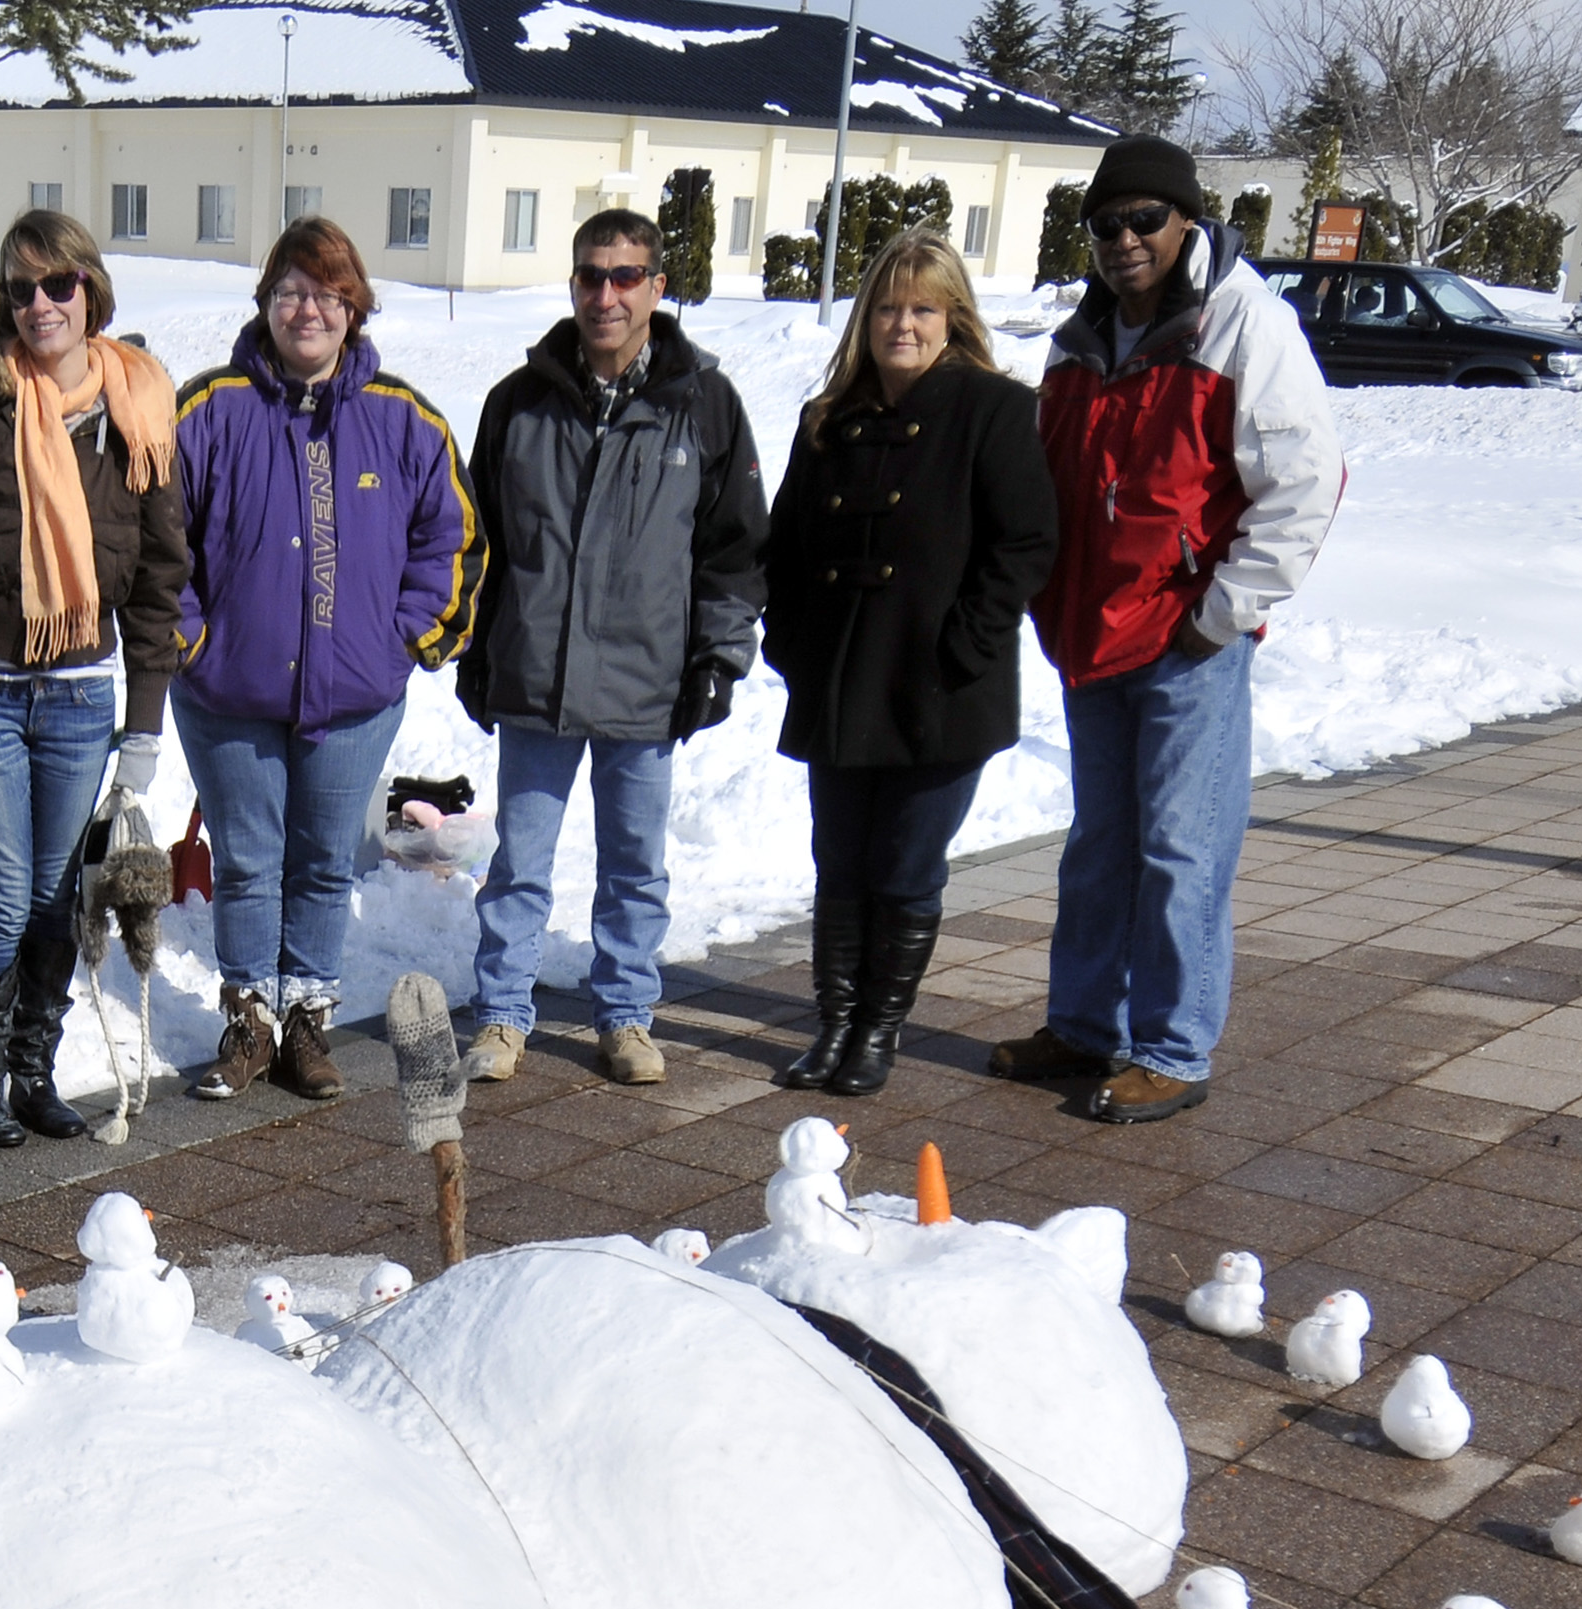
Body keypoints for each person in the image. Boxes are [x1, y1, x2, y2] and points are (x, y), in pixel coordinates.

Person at [995, 135, 1343, 1123]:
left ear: (1186, 220)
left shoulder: (1244, 326)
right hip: (1091, 635)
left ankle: (1174, 1048)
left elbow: (1306, 481)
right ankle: (1083, 1026)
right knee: (1100, 844)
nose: (1125, 240)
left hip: (1185, 642)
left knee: (1182, 849)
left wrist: (1219, 615)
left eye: (1146, 219)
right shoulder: (1078, 340)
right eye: (1106, 225)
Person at [168, 217, 481, 1103]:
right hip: (229, 692)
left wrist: (411, 634)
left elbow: (450, 536)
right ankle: (247, 1024)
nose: (306, 308)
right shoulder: (209, 408)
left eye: (326, 292)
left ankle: (306, 1019)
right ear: (264, 302)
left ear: (354, 307)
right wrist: (189, 636)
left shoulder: (405, 419)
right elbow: (160, 543)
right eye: (289, 290)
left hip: (354, 697)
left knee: (318, 859)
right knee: (246, 857)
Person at [457, 208, 767, 1088]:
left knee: (636, 864)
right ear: (571, 284)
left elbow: (734, 549)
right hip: (536, 674)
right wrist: (476, 651)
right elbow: (481, 542)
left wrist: (716, 658)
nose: (607, 294)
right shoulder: (519, 402)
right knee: (517, 863)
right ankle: (502, 1016)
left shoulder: (701, 403)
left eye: (626, 275)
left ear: (656, 288)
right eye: (591, 275)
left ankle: (625, 1012)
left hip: (646, 679)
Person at [0, 209, 188, 1147]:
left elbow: (160, 577)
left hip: (81, 692)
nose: (40, 305)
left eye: (57, 285)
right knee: (3, 891)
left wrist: (144, 725)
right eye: (21, 288)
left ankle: (32, 1067)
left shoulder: (138, 413)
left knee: (52, 895)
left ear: (90, 291)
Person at [763, 229, 1058, 1096]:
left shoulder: (993, 410)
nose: (903, 324)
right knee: (839, 861)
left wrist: (963, 644)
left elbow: (1026, 542)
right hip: (841, 685)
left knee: (904, 866)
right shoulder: (828, 420)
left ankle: (877, 1030)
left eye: (923, 308)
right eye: (888, 307)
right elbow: (784, 547)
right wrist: (791, 642)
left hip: (939, 690)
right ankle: (832, 1025)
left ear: (952, 317)